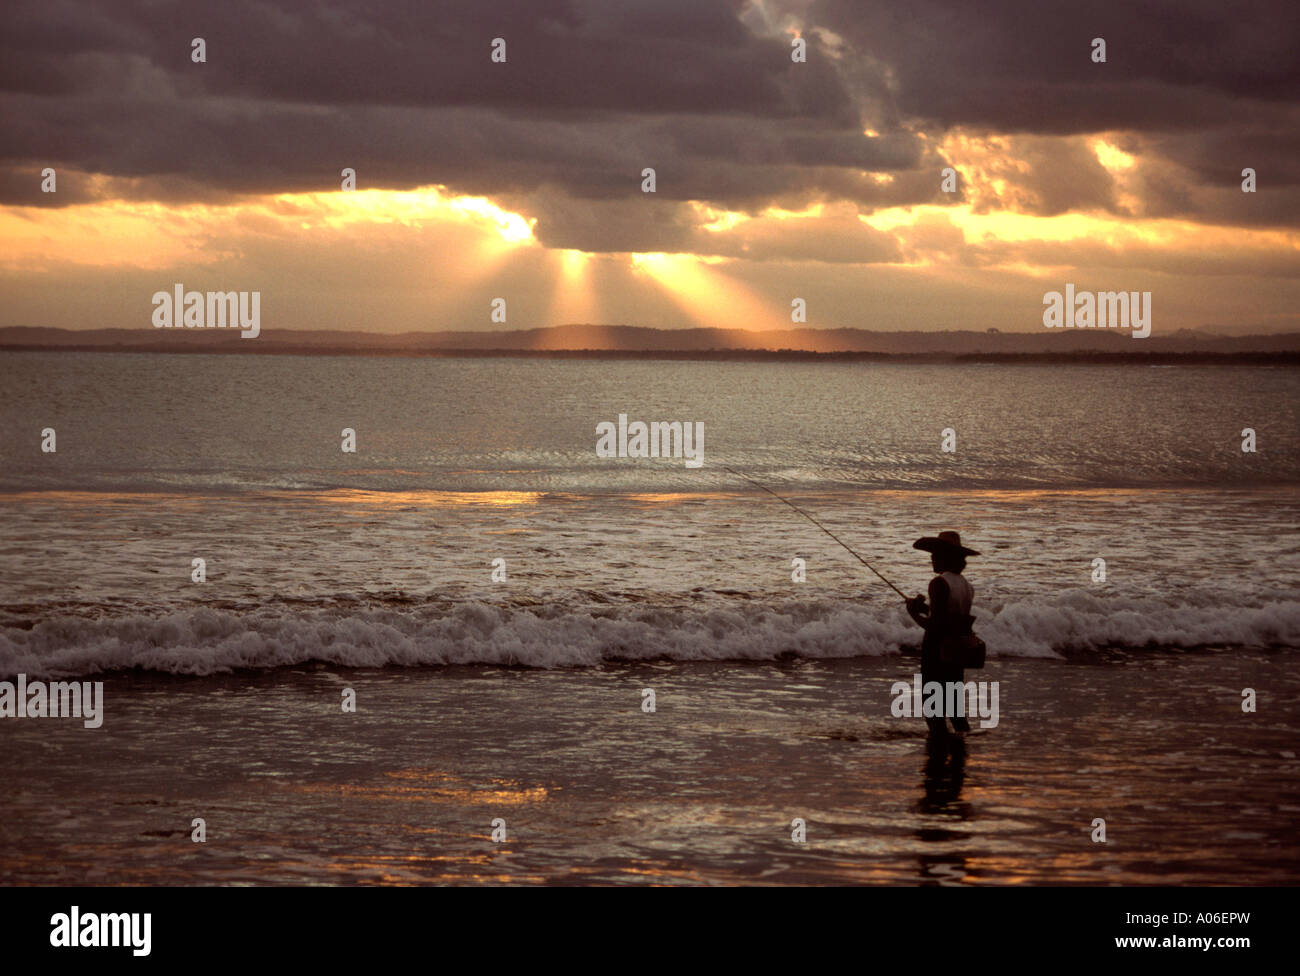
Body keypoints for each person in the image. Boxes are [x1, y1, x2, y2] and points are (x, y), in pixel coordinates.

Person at [905, 531, 980, 737]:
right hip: (958, 650)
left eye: (935, 554)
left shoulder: (938, 583)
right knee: (955, 708)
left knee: (933, 708)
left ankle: (939, 750)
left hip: (938, 650)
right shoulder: (966, 585)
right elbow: (950, 616)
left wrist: (913, 613)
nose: (931, 558)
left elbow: (936, 626)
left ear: (946, 556)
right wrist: (926, 609)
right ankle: (960, 749)